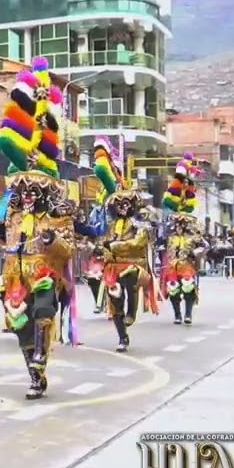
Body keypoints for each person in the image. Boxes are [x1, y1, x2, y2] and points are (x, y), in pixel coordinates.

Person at [0, 58, 86, 398]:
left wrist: (50, 238)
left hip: (45, 273)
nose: (27, 196)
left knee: (43, 310)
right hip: (15, 274)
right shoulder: (12, 213)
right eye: (22, 191)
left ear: (43, 191)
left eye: (33, 191)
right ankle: (34, 371)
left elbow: (69, 247)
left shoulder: (57, 214)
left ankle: (42, 357)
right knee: (18, 323)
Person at [92, 137, 156, 353]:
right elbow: (103, 242)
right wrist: (100, 247)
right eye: (118, 205)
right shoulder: (110, 225)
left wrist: (117, 246)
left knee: (129, 283)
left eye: (125, 204)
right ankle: (122, 336)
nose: (121, 208)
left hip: (133, 265)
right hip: (112, 268)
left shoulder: (140, 223)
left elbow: (138, 242)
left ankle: (133, 312)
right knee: (115, 299)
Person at [160, 155, 209, 326]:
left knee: (188, 287)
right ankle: (177, 314)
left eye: (182, 224)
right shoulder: (169, 235)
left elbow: (205, 245)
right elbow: (160, 244)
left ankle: (188, 313)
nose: (179, 226)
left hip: (187, 265)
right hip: (172, 265)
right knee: (173, 289)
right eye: (177, 224)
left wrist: (198, 252)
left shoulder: (193, 235)